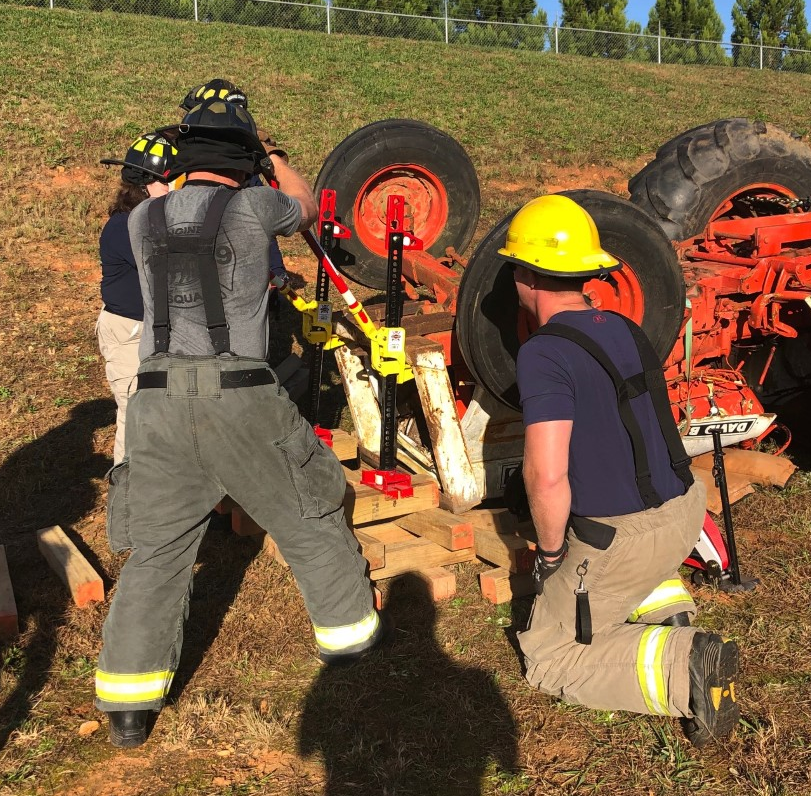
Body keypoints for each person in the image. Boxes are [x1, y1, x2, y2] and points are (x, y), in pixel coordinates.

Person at [94, 97, 384, 748]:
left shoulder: (142, 219)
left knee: (160, 552)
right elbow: (305, 205)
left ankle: (127, 706)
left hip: (159, 401)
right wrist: (275, 157)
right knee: (308, 513)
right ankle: (350, 640)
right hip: (239, 394)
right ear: (243, 160)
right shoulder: (256, 207)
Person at [502, 194, 739, 748]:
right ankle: (670, 611)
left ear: (525, 273)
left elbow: (547, 478)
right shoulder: (623, 327)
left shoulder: (543, 355)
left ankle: (686, 667)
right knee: (624, 563)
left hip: (622, 538)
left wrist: (553, 554)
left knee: (549, 655)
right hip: (685, 511)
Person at [97, 134, 177, 463]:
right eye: (167, 181)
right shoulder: (124, 227)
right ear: (146, 185)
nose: (173, 188)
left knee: (162, 420)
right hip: (130, 334)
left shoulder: (151, 221)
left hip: (155, 331)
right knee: (136, 419)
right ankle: (127, 503)